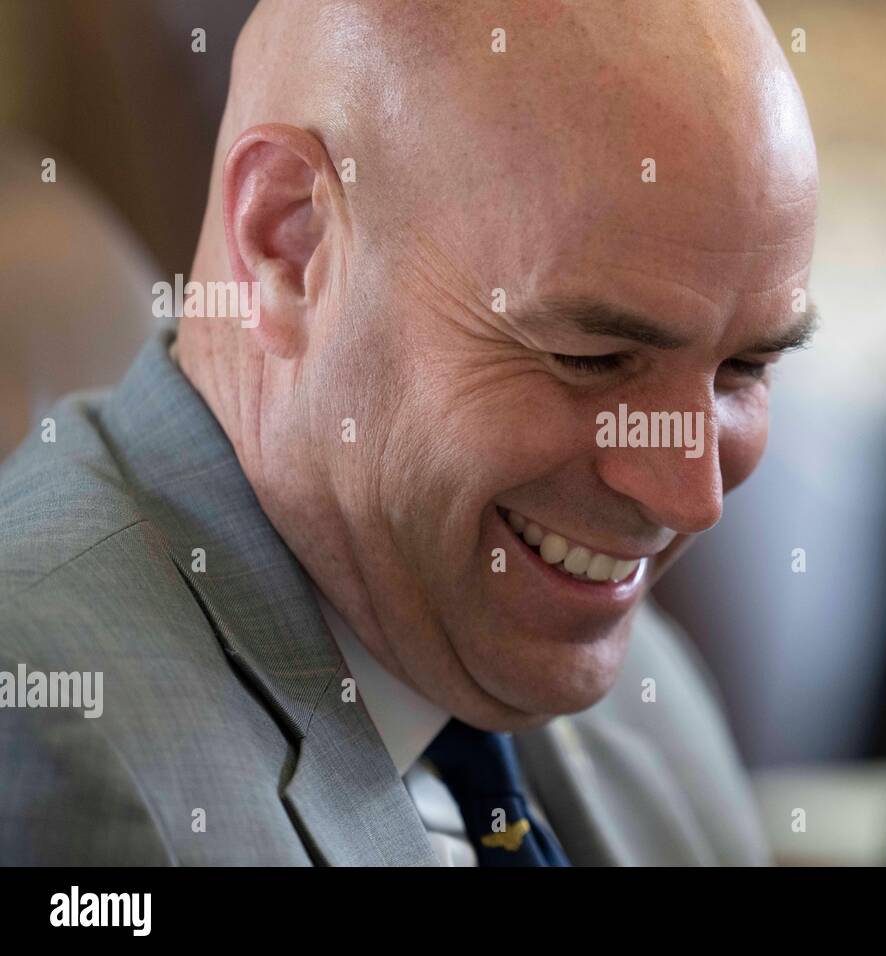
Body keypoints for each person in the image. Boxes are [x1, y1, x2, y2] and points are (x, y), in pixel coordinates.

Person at [0, 0, 818, 866]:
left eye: (746, 369)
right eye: (594, 357)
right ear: (289, 243)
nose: (692, 497)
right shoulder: (54, 731)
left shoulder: (631, 671)